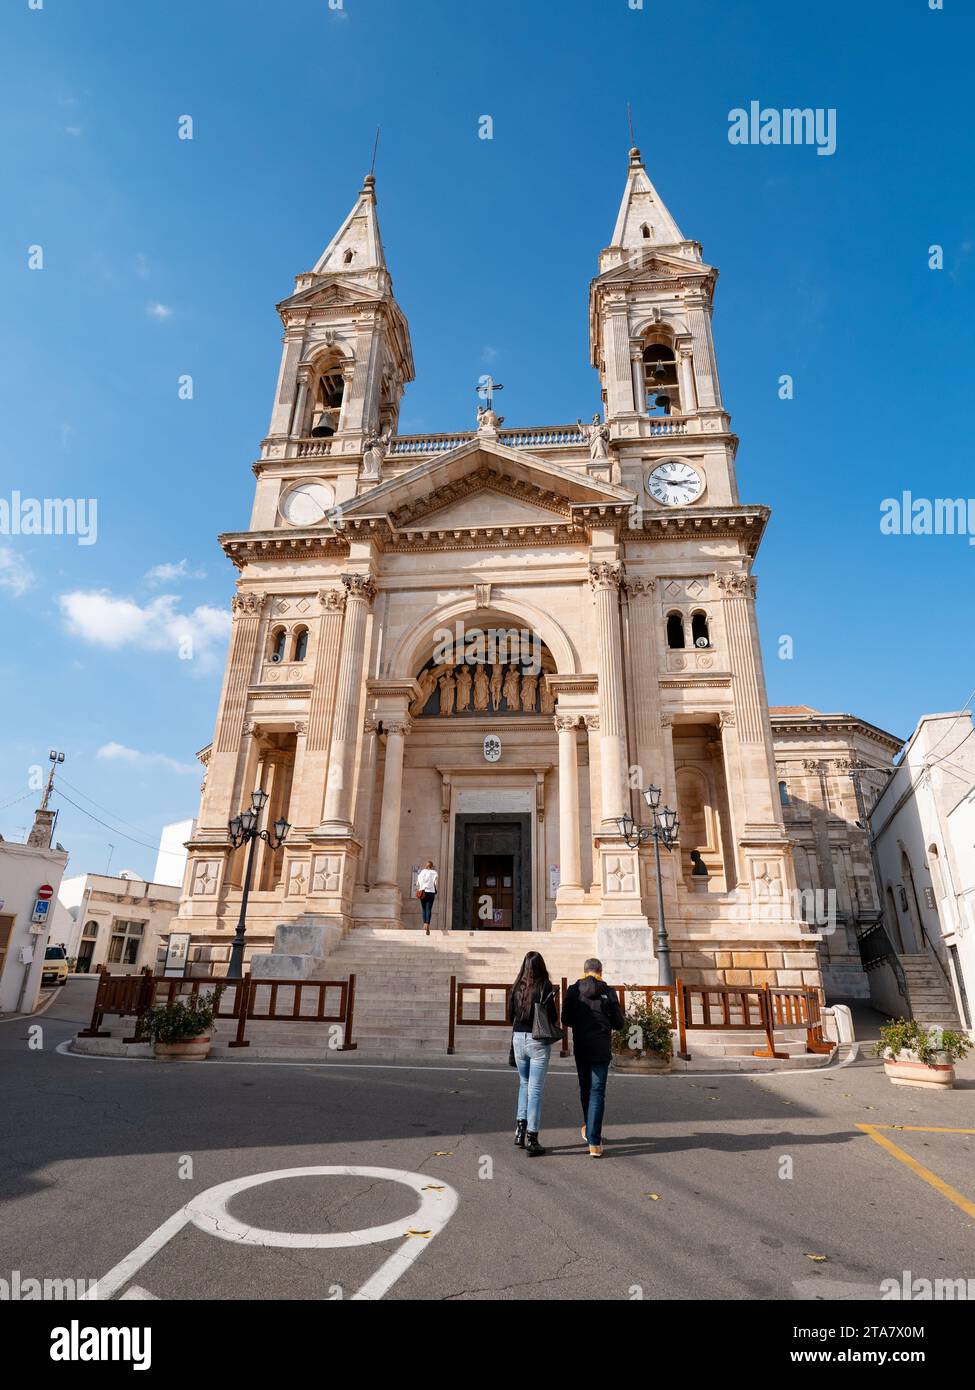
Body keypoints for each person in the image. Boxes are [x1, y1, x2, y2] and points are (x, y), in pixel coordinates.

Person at [561, 957, 625, 1158]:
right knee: (598, 1091)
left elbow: (565, 1019)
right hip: (601, 1047)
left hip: (582, 1045)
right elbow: (619, 1023)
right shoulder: (609, 991)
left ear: (584, 970)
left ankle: (589, 1129)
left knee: (586, 1088)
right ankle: (594, 1142)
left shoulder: (573, 989)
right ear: (600, 971)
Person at [508, 951, 560, 1157]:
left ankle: (520, 1131)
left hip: (518, 1038)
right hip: (537, 1040)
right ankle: (532, 1137)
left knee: (524, 1084)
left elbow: (509, 1015)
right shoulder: (545, 986)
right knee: (535, 1090)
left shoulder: (515, 986)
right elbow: (554, 1016)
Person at [416, 860, 438, 935]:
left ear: (426, 865)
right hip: (431, 892)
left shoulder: (422, 872)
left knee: (424, 909)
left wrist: (421, 886)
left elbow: (417, 883)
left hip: (423, 892)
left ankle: (424, 923)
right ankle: (428, 924)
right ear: (432, 866)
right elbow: (435, 883)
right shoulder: (434, 873)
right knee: (429, 909)